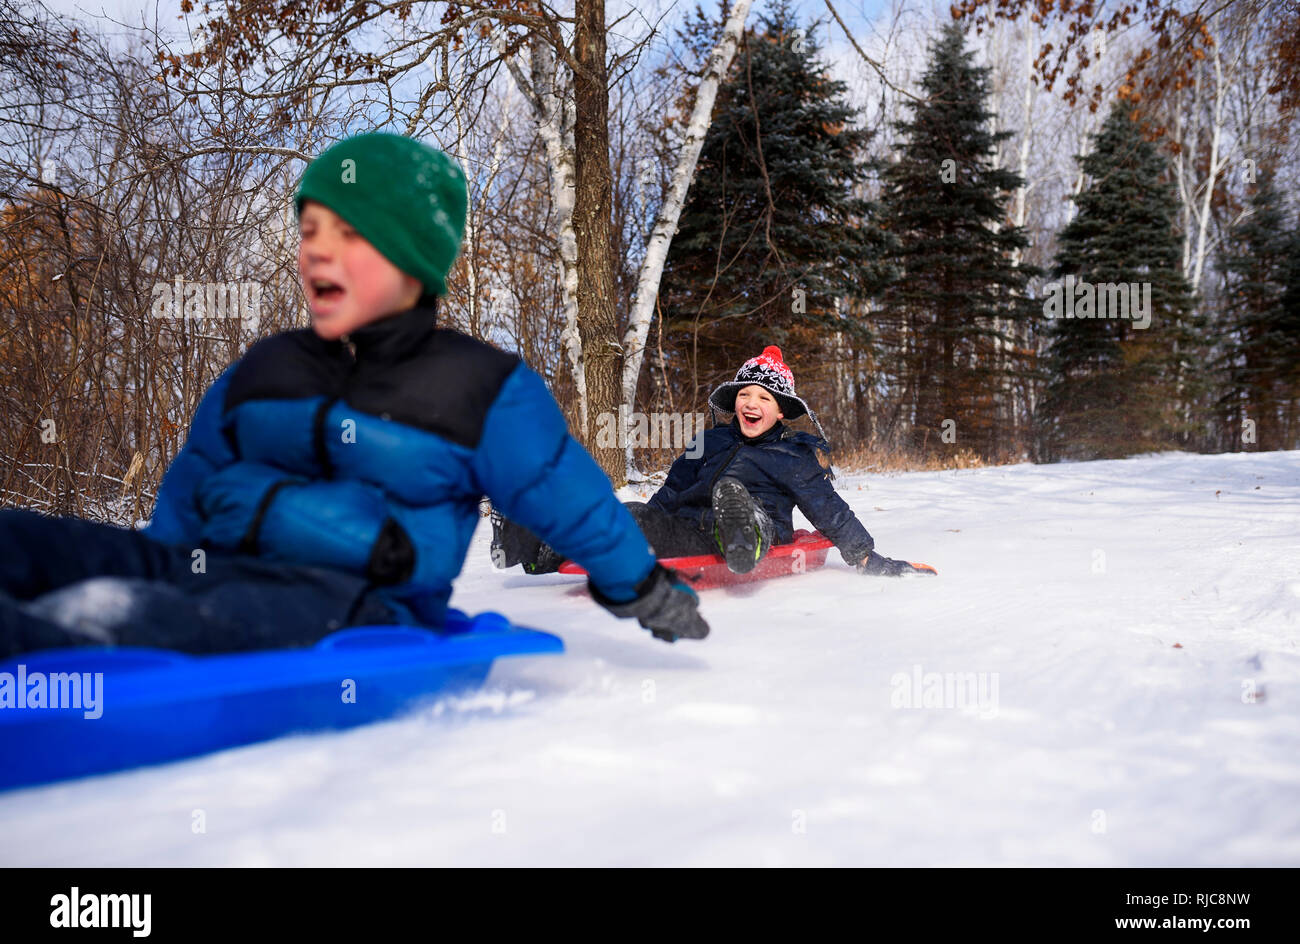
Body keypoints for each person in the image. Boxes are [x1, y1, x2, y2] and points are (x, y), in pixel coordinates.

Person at [0, 132, 708, 661]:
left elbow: (568, 497)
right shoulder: (264, 368)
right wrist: (165, 567)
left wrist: (641, 586)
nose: (316, 251)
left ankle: (71, 639)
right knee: (33, 544)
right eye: (309, 232)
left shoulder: (477, 386)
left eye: (349, 234)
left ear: (412, 258)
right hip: (217, 571)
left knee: (127, 619)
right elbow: (191, 489)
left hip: (360, 608)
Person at [494, 345, 935, 578]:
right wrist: (649, 517)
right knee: (628, 515)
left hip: (759, 526)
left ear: (781, 411)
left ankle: (742, 539)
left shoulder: (793, 454)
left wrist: (867, 557)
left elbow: (827, 508)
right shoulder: (708, 441)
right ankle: (537, 548)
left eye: (764, 397)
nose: (751, 402)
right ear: (734, 401)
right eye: (744, 394)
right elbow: (671, 491)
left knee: (734, 495)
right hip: (692, 532)